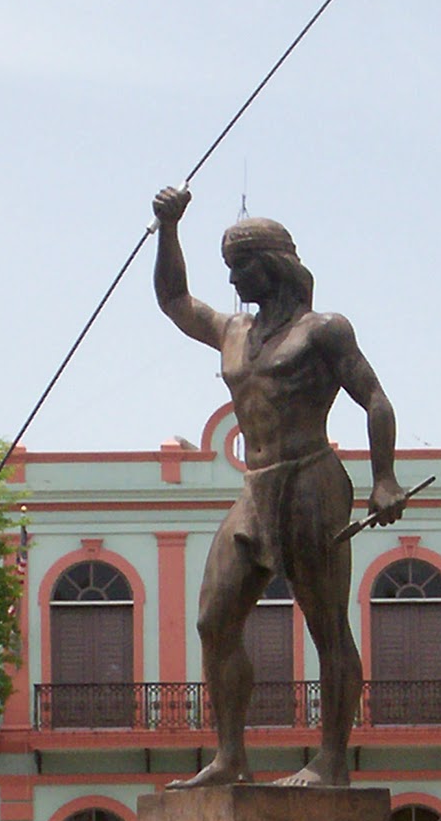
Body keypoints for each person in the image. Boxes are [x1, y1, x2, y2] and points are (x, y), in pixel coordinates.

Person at [152, 186, 407, 788]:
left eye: (242, 266)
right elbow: (173, 299)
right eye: (228, 268)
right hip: (256, 490)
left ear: (275, 266)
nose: (234, 279)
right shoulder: (232, 329)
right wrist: (168, 228)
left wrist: (385, 477)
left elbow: (374, 398)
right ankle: (230, 757)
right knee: (215, 620)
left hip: (311, 479)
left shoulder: (324, 331)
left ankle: (332, 761)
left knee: (325, 624)